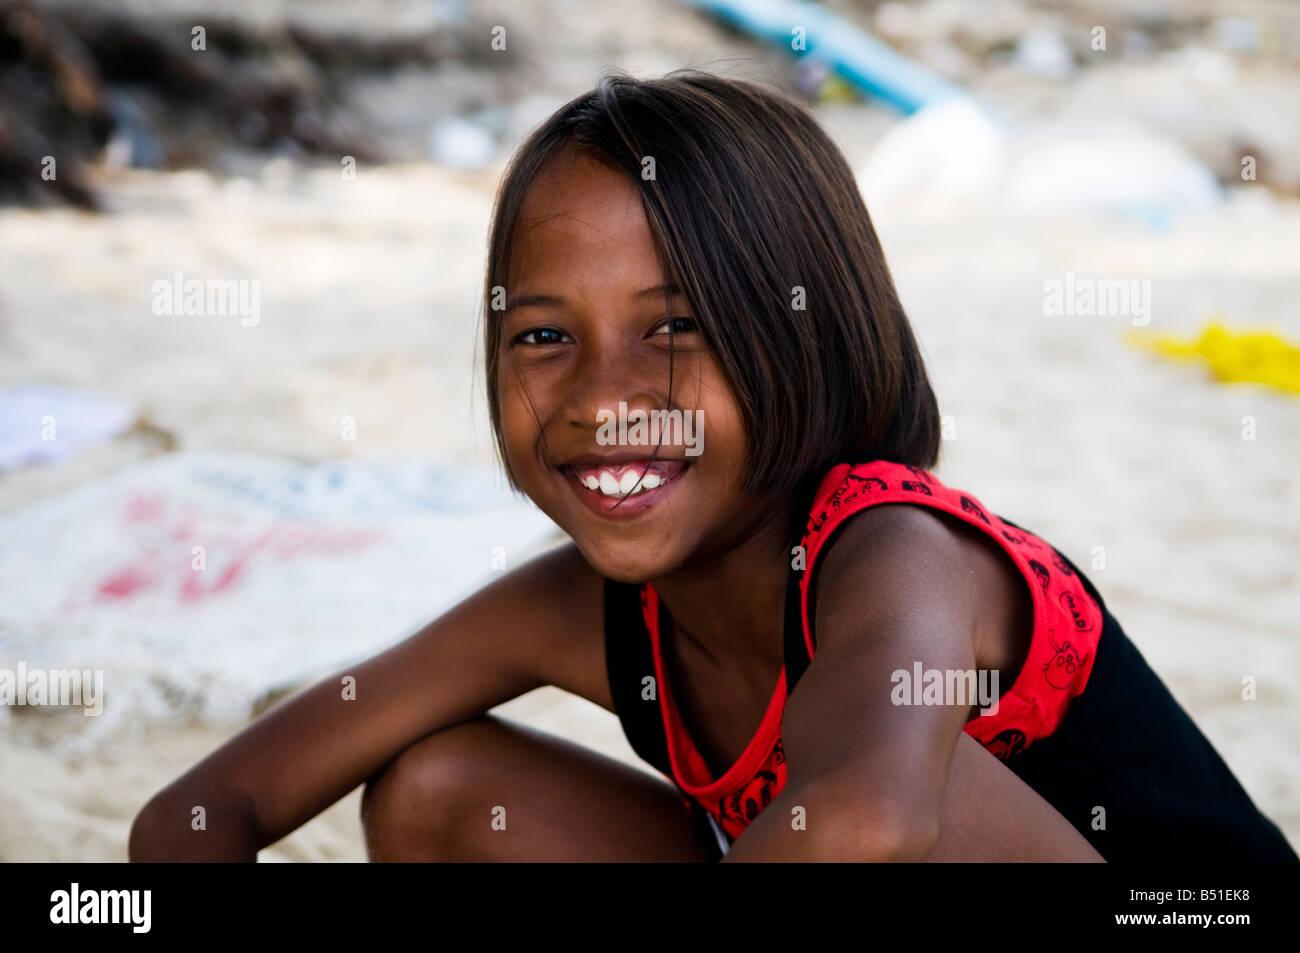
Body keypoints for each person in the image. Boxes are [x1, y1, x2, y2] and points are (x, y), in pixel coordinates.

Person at [129, 70, 1298, 863]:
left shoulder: (896, 554)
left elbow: (868, 817)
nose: (602, 399)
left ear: (808, 332)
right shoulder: (582, 608)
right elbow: (203, 804)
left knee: (916, 799)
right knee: (435, 789)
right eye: (544, 336)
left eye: (675, 328)